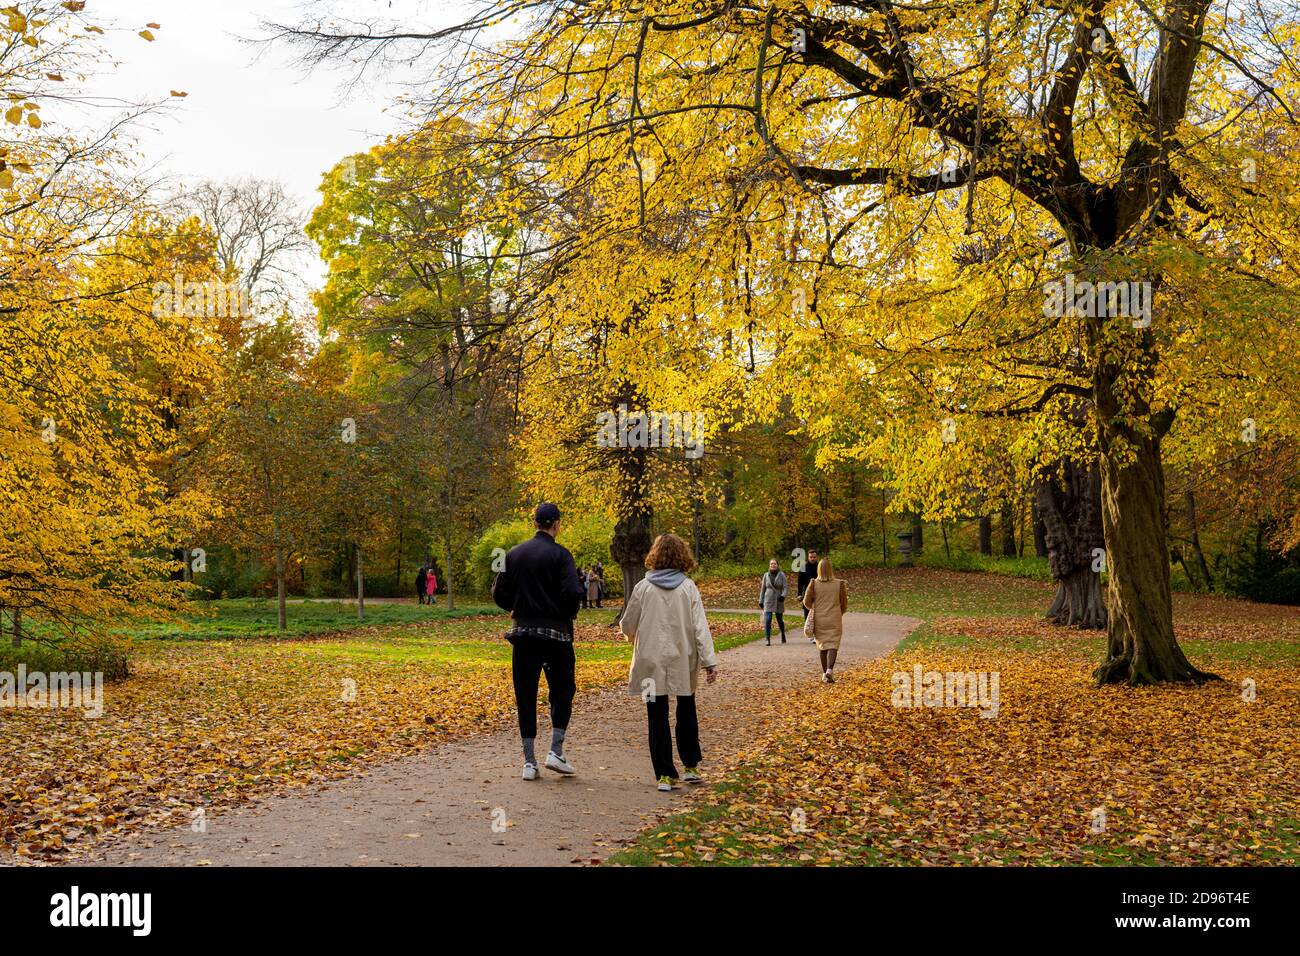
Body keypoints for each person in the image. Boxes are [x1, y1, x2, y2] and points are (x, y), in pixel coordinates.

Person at [491, 503, 586, 780]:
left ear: (534, 523)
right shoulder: (561, 555)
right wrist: (564, 612)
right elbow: (572, 592)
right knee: (563, 689)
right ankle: (556, 750)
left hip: (523, 634)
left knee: (525, 693)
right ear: (556, 524)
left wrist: (516, 605)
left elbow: (499, 592)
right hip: (556, 634)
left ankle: (529, 762)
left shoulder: (514, 554)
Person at [619, 533, 718, 791]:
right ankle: (690, 765)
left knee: (656, 715)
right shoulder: (688, 588)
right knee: (686, 709)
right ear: (682, 556)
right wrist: (709, 661)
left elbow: (629, 622)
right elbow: (700, 627)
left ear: (655, 555)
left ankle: (664, 773)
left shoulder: (643, 587)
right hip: (682, 658)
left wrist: (631, 637)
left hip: (650, 659)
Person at [802, 556, 848, 683]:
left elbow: (806, 602)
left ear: (819, 569)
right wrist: (839, 612)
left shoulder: (814, 583)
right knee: (833, 645)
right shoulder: (839, 584)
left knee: (822, 646)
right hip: (835, 618)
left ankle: (824, 674)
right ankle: (829, 670)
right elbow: (844, 603)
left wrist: (814, 607)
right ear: (830, 569)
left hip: (820, 619)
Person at [758, 558, 788, 645]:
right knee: (768, 619)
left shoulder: (781, 574)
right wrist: (761, 600)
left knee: (779, 620)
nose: (773, 565)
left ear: (777, 565)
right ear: (769, 565)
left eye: (774, 563)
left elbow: (785, 587)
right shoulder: (766, 575)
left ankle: (783, 634)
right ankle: (767, 639)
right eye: (771, 564)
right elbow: (763, 589)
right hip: (768, 599)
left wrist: (783, 595)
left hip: (779, 599)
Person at [797, 549, 820, 631]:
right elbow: (800, 583)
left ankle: (817, 632)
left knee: (818, 615)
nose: (812, 559)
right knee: (807, 614)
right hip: (807, 594)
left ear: (816, 557)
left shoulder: (820, 567)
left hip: (819, 594)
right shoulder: (803, 567)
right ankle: (810, 632)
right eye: (811, 557)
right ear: (808, 557)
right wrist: (799, 594)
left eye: (814, 557)